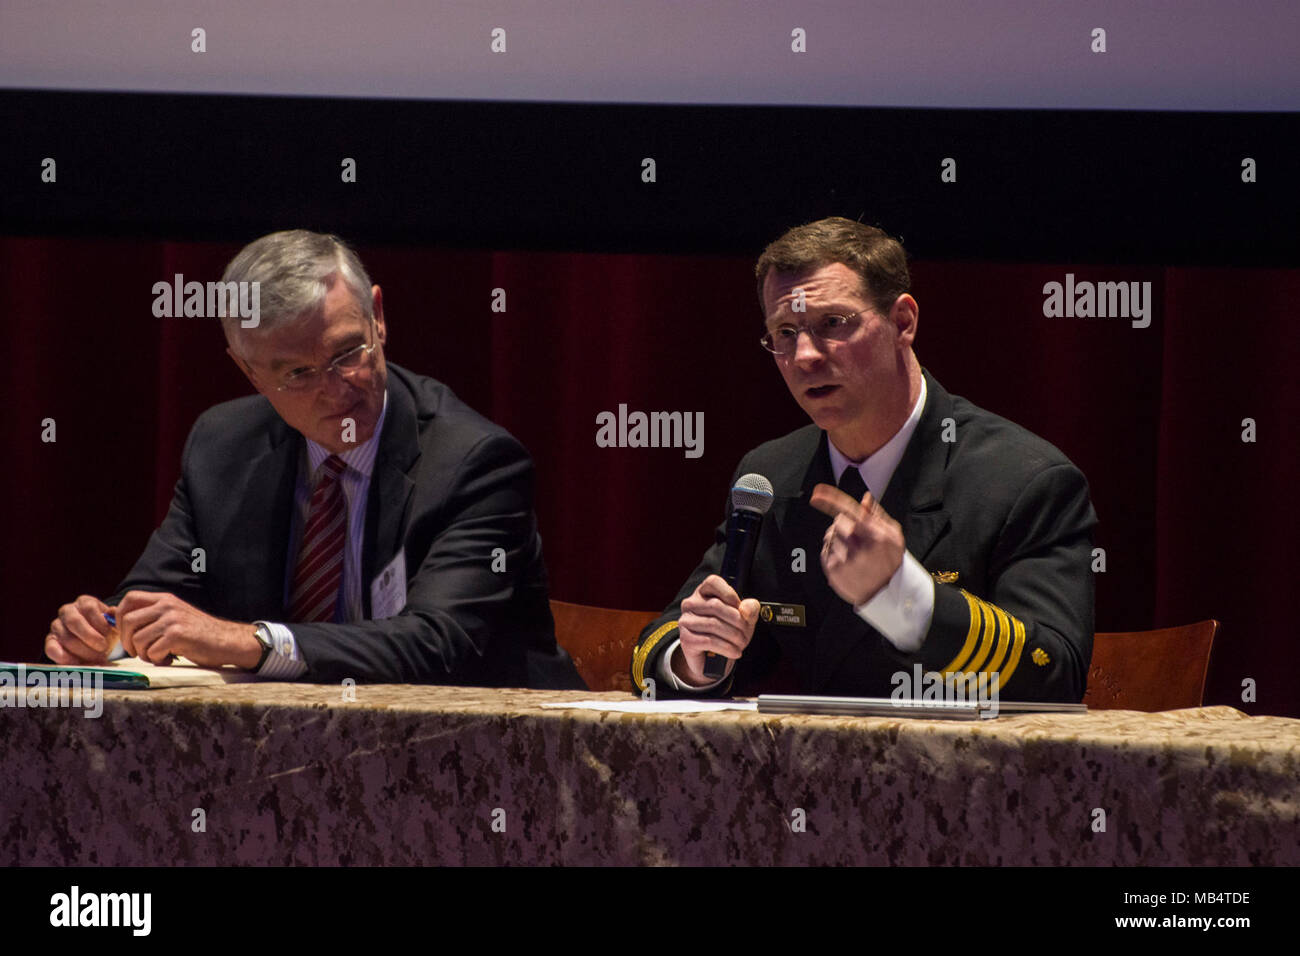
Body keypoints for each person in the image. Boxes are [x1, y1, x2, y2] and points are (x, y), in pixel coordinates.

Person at [44, 230, 584, 688]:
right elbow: (158, 596)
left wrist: (248, 641)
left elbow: (437, 645)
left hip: (494, 761)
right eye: (298, 373)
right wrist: (105, 633)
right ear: (250, 373)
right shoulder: (222, 447)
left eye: (348, 352)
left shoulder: (475, 461)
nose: (336, 389)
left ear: (378, 316)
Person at [630, 217, 1097, 702]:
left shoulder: (1024, 480)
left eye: (833, 323)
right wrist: (698, 657)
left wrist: (899, 594)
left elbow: (1055, 676)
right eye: (785, 331)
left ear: (903, 322)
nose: (805, 355)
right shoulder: (770, 475)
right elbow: (660, 648)